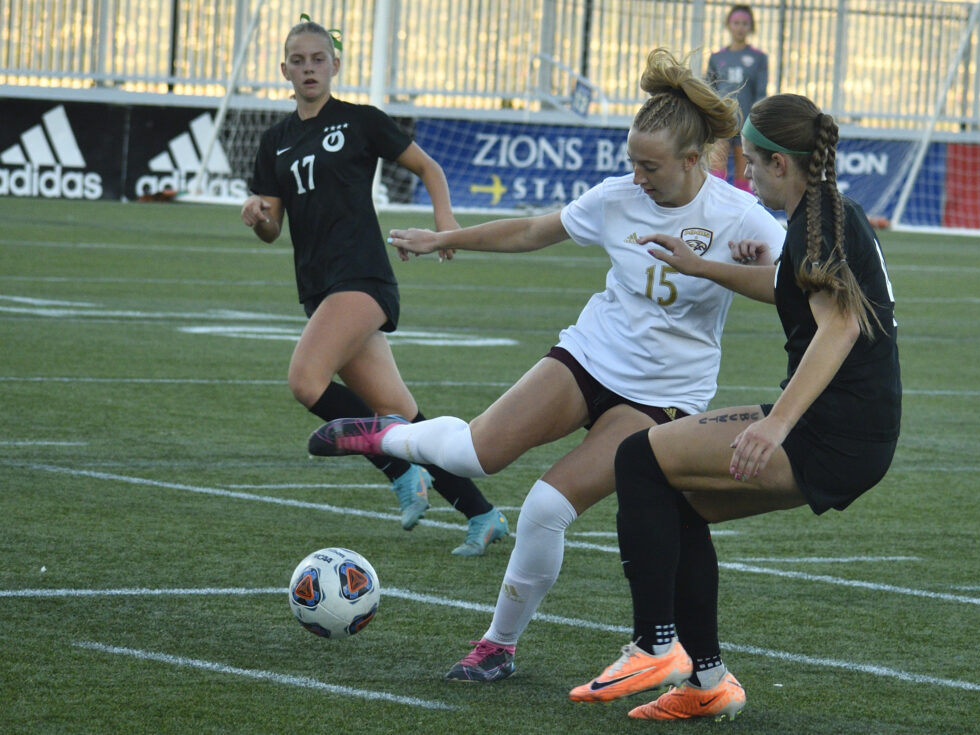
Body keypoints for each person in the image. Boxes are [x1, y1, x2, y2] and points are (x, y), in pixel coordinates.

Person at [308, 48, 786, 683]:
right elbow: (535, 230)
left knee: (543, 509)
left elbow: (798, 285)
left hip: (662, 398)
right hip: (589, 355)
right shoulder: (618, 196)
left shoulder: (742, 218)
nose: (637, 178)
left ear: (694, 161)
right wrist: (445, 238)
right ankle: (383, 433)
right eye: (632, 164)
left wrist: (759, 267)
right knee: (476, 453)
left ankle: (497, 646)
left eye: (651, 167)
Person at [569, 93, 901, 721]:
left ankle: (654, 644)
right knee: (673, 501)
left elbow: (839, 330)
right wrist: (704, 267)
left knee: (638, 458)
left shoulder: (815, 223)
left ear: (781, 163)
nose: (743, 174)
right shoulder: (826, 212)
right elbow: (790, 287)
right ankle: (708, 681)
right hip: (855, 431)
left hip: (833, 429)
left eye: (750, 162)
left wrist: (777, 424)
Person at [240, 18, 507, 556]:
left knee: (305, 380)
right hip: (318, 287)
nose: (309, 68)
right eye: (299, 60)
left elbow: (428, 167)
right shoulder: (276, 141)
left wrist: (445, 225)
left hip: (362, 278)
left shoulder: (360, 121)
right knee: (403, 415)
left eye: (319, 58)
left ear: (335, 66)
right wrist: (258, 217)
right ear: (284, 69)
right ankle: (483, 514)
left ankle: (397, 470)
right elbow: (273, 229)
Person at [706, 4, 768, 193]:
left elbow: (760, 93)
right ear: (728, 25)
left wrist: (756, 122)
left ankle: (741, 215)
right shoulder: (717, 58)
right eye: (736, 23)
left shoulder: (758, 58)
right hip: (722, 122)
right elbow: (708, 90)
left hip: (746, 125)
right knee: (716, 172)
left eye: (744, 23)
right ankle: (714, 212)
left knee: (745, 175)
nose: (740, 27)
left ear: (751, 27)